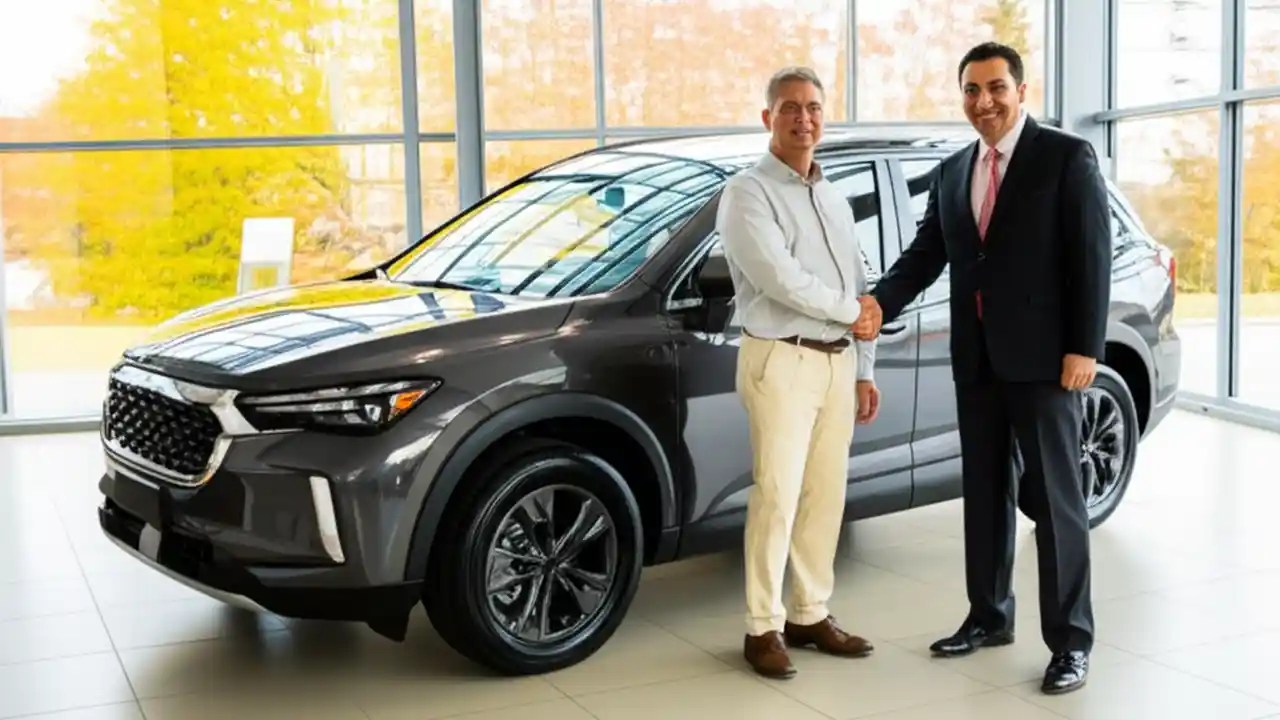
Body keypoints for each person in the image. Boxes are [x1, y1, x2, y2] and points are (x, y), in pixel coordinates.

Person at [854, 42, 1109, 695]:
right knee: (985, 495)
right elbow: (924, 256)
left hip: (1049, 361)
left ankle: (1071, 642)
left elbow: (1090, 255)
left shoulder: (1065, 156)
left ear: (1023, 91)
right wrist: (876, 304)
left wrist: (1085, 347)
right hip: (977, 361)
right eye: (972, 89)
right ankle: (989, 616)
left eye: (996, 87)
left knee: (1057, 503)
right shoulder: (951, 172)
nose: (984, 101)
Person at [716, 66, 881, 680]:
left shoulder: (833, 197)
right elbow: (778, 278)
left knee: (824, 497)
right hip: (780, 361)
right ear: (768, 118)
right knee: (777, 495)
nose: (803, 118)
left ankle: (810, 612)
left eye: (813, 107)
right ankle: (763, 627)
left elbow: (862, 286)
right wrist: (852, 314)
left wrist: (864, 366)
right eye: (790, 107)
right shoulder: (747, 193)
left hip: (837, 365)